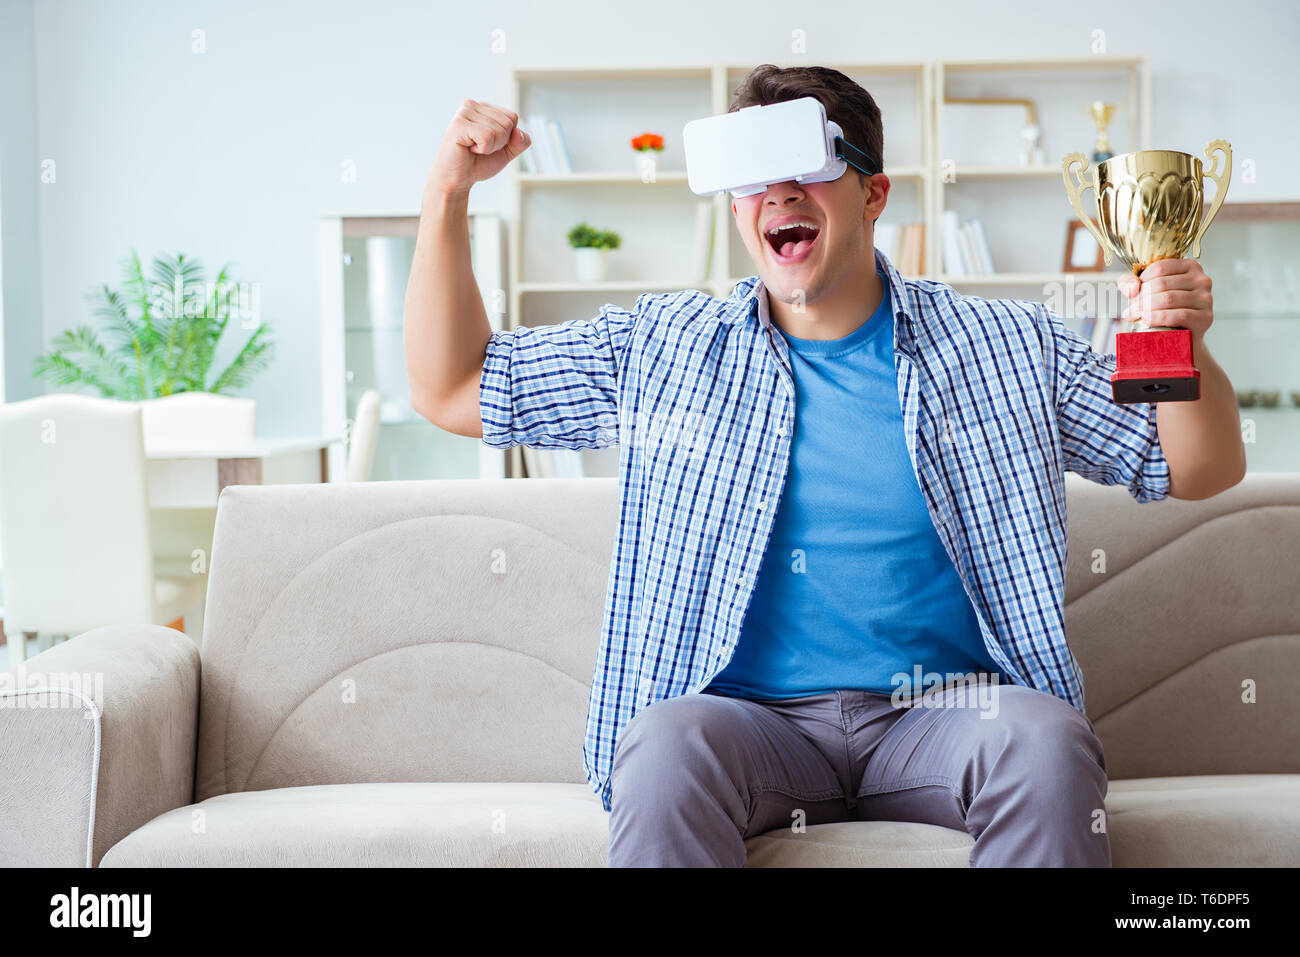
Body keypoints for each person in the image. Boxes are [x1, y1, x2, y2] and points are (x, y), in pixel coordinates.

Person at [404, 64, 1247, 867]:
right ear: (737, 209)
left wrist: (1181, 341)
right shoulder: (659, 349)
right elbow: (453, 387)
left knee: (1045, 742)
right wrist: (448, 194)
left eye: (806, 168)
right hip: (748, 724)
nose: (778, 195)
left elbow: (1194, 466)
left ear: (874, 192)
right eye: (753, 177)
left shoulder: (1008, 346)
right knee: (664, 745)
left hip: (944, 715)